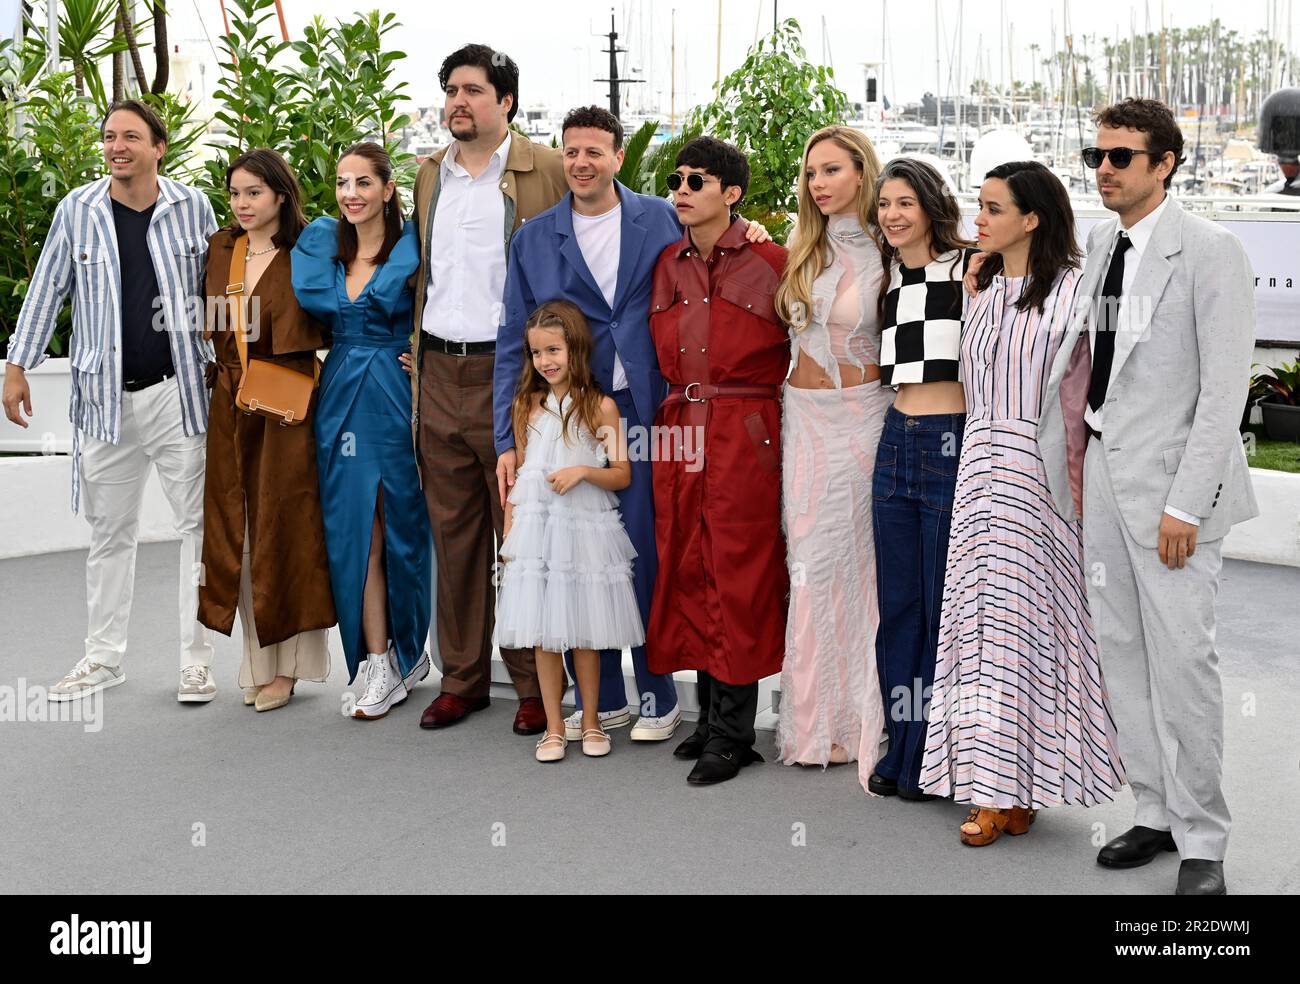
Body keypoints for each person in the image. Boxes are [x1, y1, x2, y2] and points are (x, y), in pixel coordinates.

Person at [1037, 99, 1257, 894]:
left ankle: (1205, 840)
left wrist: (1187, 506)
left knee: (1184, 663)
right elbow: (1095, 366)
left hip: (1173, 492)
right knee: (1121, 656)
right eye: (1098, 154)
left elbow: (1223, 390)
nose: (1104, 168)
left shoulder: (1211, 251)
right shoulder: (1102, 243)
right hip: (1101, 474)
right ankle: (1155, 812)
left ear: (1165, 163)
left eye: (1122, 156)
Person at [918, 160, 1125, 844]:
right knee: (979, 634)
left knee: (1031, 636)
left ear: (1031, 218)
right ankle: (992, 786)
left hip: (1041, 481)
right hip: (979, 468)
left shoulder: (1074, 291)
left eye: (993, 208)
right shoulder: (979, 288)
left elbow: (1092, 394)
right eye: (979, 205)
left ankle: (1014, 786)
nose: (978, 219)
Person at [4, 99, 218, 703]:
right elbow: (48, 286)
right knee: (108, 534)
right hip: (103, 401)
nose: (116, 146)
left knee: (197, 530)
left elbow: (219, 287)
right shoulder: (78, 210)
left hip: (181, 396)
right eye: (108, 137)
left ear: (159, 147)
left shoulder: (192, 207)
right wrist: (18, 364)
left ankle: (196, 661)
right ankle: (103, 658)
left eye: (130, 136)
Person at [411, 43, 566, 735]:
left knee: (521, 533)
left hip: (514, 378)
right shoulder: (427, 176)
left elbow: (611, 224)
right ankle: (464, 680)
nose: (457, 102)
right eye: (450, 90)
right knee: (456, 537)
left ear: (505, 101)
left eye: (472, 90)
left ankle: (534, 686)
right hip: (438, 372)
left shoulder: (548, 170)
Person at [647, 136, 789, 785]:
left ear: (731, 193)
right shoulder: (668, 266)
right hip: (681, 424)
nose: (681, 188)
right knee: (690, 563)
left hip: (744, 427)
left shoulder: (772, 261)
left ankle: (732, 734)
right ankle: (708, 719)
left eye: (697, 180)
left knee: (739, 570)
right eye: (676, 178)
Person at [291, 142, 432, 720]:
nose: (351, 193)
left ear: (387, 189)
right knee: (356, 530)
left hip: (395, 397)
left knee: (400, 524)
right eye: (343, 183)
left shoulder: (415, 246)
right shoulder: (323, 246)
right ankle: (376, 659)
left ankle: (406, 646)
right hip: (341, 394)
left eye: (363, 183)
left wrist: (420, 354)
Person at [773, 126, 894, 789]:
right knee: (809, 566)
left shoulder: (890, 251)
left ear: (860, 173)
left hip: (861, 421)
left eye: (832, 170)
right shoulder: (800, 246)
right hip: (803, 419)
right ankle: (816, 727)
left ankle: (861, 725)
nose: (819, 183)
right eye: (811, 172)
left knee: (859, 570)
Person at [198, 149, 335, 712]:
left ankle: (291, 669)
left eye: (254, 192)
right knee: (239, 528)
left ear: (281, 194)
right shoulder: (221, 249)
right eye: (234, 194)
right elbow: (209, 327)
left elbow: (332, 317)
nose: (242, 204)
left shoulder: (307, 248)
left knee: (289, 526)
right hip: (230, 401)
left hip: (288, 404)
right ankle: (258, 662)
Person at [868, 157, 974, 801]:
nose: (893, 215)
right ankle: (902, 747)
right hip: (895, 439)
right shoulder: (890, 276)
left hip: (950, 441)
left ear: (932, 204)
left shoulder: (970, 268)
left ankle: (942, 757)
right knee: (900, 607)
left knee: (943, 606)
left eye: (905, 202)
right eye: (884, 205)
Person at [496, 301, 644, 761]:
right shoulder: (527, 405)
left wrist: (582, 471)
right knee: (544, 633)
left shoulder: (602, 406)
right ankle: (555, 728)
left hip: (583, 530)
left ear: (575, 348)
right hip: (537, 533)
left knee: (583, 630)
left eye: (553, 349)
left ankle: (594, 722)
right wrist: (509, 537)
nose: (546, 361)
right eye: (537, 353)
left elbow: (622, 473)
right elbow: (518, 478)